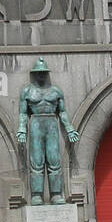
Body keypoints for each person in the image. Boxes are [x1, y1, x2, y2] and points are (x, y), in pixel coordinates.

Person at [16, 58, 79, 204]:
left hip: (52, 123)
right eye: (39, 73)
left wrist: (69, 129)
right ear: (34, 74)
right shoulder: (27, 91)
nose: (41, 75)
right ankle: (37, 194)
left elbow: (62, 112)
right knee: (36, 161)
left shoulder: (56, 91)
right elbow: (23, 114)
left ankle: (56, 194)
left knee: (54, 160)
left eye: (44, 72)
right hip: (36, 123)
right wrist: (21, 130)